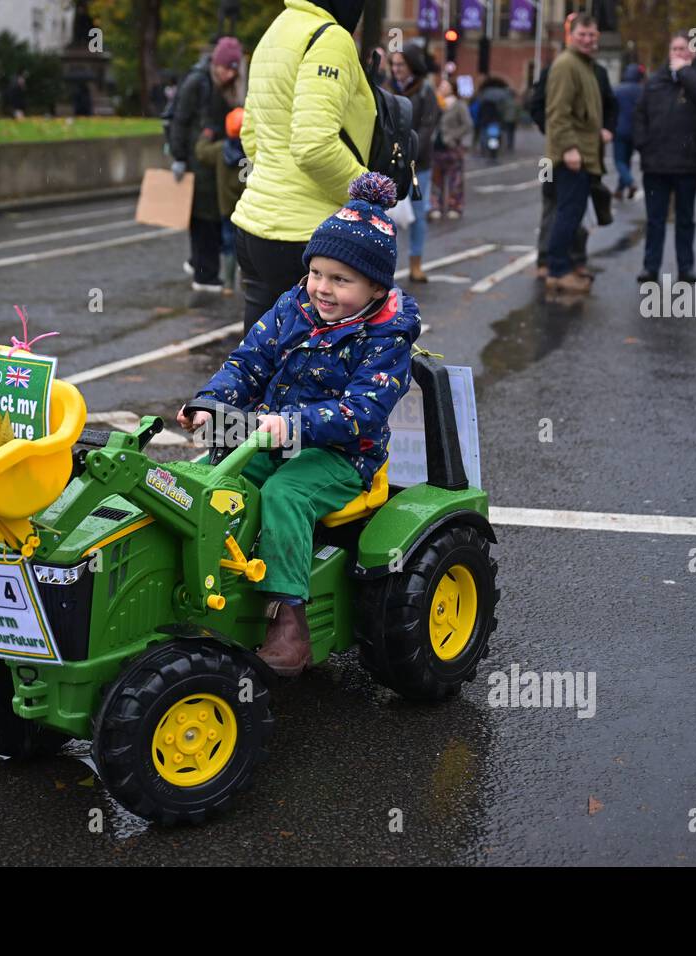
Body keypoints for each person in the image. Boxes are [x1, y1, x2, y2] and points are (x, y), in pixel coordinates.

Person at [177, 173, 420, 676]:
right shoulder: (293, 308)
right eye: (317, 273)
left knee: (286, 493)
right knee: (215, 482)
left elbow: (362, 412)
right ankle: (210, 593)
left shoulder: (387, 338)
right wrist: (209, 403)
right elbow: (248, 363)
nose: (322, 288)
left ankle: (289, 621)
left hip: (343, 456)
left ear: (376, 286)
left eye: (340, 279)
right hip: (272, 434)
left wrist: (292, 425)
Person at [230, 0, 375, 336]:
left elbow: (250, 135)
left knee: (258, 365)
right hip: (306, 236)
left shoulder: (277, 30)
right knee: (318, 372)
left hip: (255, 226)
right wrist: (370, 192)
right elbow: (314, 147)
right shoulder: (330, 37)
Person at [633, 35, 696, 283]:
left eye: (685, 49)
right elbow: (640, 115)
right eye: (675, 49)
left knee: (685, 220)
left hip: (687, 164)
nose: (679, 53)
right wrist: (643, 145)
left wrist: (684, 73)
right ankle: (650, 267)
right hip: (656, 164)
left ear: (694, 54)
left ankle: (686, 267)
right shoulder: (655, 82)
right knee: (655, 220)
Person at [171, 36, 242, 293]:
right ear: (216, 64)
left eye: (233, 69)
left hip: (213, 158)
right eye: (226, 68)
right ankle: (205, 274)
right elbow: (180, 119)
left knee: (206, 218)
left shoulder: (220, 85)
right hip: (197, 158)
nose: (228, 74)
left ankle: (200, 265)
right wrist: (179, 156)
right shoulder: (198, 83)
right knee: (205, 218)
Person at [542, 13, 603, 294]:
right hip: (572, 156)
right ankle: (557, 269)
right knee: (567, 213)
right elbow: (558, 111)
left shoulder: (583, 64)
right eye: (582, 35)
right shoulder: (567, 64)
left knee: (574, 214)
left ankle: (561, 266)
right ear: (571, 35)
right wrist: (569, 148)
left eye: (592, 35)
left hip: (585, 154)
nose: (588, 40)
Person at [388, 43, 440, 282]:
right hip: (391, 163)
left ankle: (416, 263)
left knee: (418, 214)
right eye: (394, 64)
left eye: (401, 64)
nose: (396, 69)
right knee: (389, 217)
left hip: (418, 165)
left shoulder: (425, 91)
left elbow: (429, 126)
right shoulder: (388, 89)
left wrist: (412, 150)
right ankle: (388, 264)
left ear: (411, 65)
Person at [195, 105, 249, 290]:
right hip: (247, 208)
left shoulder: (219, 150)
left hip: (226, 208)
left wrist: (206, 134)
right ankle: (246, 278)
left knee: (228, 244)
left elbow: (201, 152)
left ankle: (228, 283)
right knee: (248, 246)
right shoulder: (251, 152)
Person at [431, 78, 470, 221]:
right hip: (436, 147)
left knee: (456, 180)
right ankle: (435, 206)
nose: (442, 88)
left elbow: (467, 125)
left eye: (445, 86)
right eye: (440, 86)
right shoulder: (436, 103)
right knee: (435, 179)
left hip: (452, 148)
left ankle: (455, 206)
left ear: (452, 88)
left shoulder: (459, 105)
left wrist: (453, 137)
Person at [612, 63, 644, 199]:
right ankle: (621, 188)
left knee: (619, 160)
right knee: (627, 160)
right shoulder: (643, 91)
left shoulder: (618, 90)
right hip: (635, 130)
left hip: (619, 129)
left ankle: (629, 182)